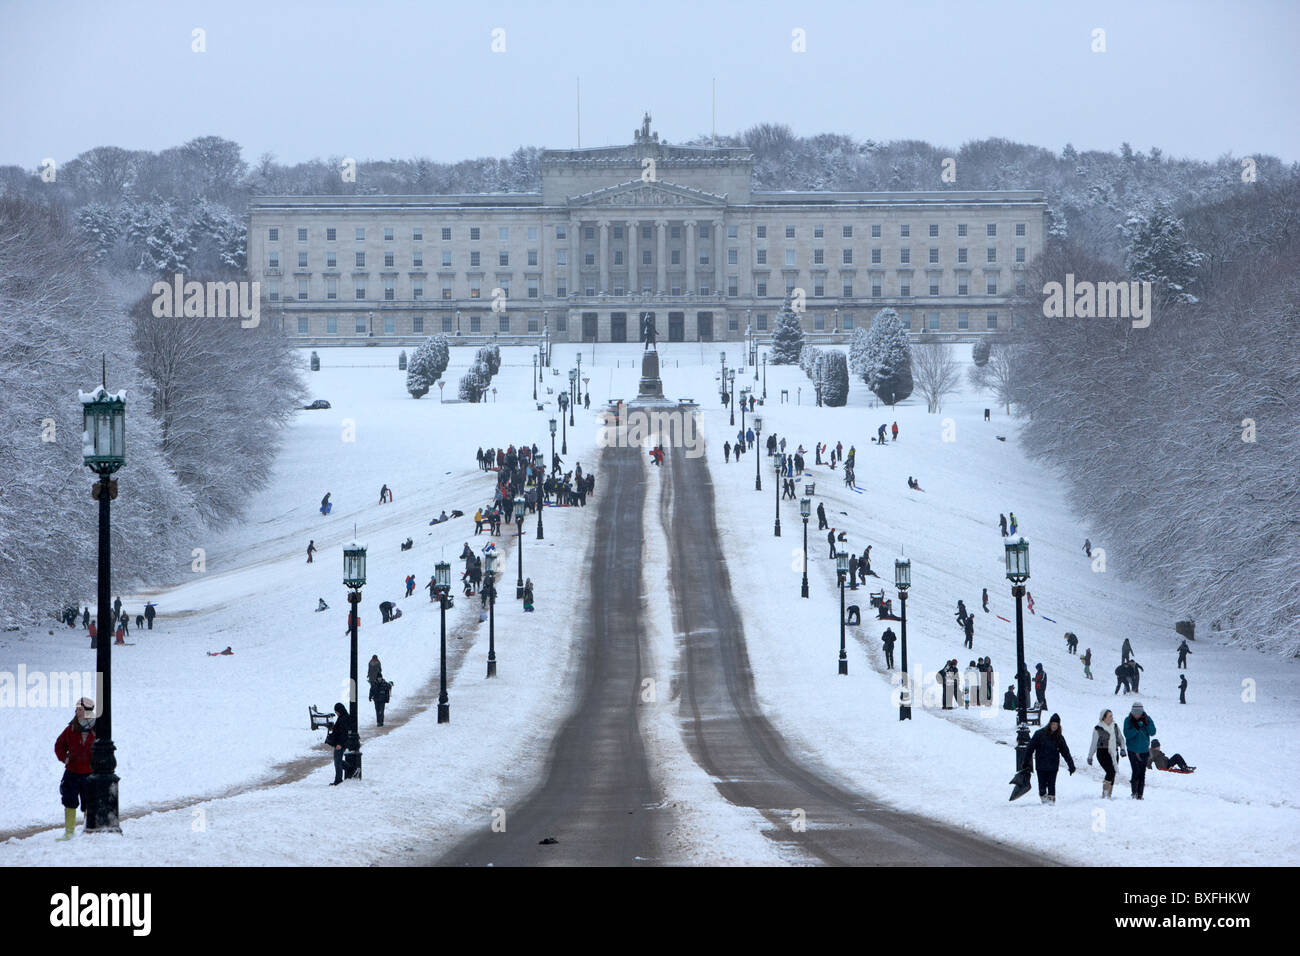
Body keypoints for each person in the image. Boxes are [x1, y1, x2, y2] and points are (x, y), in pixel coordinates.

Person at [54, 698, 97, 840]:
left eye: (81, 709)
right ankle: (69, 833)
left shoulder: (97, 729)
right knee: (69, 800)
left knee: (89, 803)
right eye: (77, 709)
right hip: (72, 773)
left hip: (90, 774)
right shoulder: (70, 729)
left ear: (88, 712)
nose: (77, 712)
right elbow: (59, 745)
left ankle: (88, 830)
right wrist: (65, 758)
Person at [1027, 713, 1076, 804]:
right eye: (1053, 724)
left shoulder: (1059, 738)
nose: (1054, 726)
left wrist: (1071, 765)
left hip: (1053, 766)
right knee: (1041, 787)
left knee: (1051, 785)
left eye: (1056, 725)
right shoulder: (1039, 734)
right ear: (1050, 724)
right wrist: (1026, 762)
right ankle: (1044, 801)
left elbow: (1066, 752)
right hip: (1041, 765)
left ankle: (1051, 804)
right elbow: (1030, 749)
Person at [1087, 708, 1126, 799]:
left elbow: (1121, 738)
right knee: (1110, 771)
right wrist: (1090, 756)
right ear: (1103, 718)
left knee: (1113, 773)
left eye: (1112, 716)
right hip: (1102, 753)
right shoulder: (1098, 729)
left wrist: (1123, 749)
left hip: (1113, 752)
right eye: (1109, 716)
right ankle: (1105, 793)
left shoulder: (1115, 726)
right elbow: (1093, 743)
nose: (1112, 718)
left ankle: (1109, 794)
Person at [1123, 702, 1156, 799]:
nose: (1136, 715)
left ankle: (1140, 795)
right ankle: (1134, 793)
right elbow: (1127, 735)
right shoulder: (1128, 720)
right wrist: (1136, 728)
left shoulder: (1147, 719)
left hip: (1144, 750)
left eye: (1138, 713)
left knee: (1142, 772)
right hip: (1132, 750)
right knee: (1136, 771)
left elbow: (1153, 732)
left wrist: (1146, 725)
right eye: (1135, 713)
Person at [325, 703, 350, 785]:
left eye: (336, 712)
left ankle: (339, 779)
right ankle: (350, 768)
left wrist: (339, 744)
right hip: (340, 743)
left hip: (340, 743)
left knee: (337, 761)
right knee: (337, 760)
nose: (336, 713)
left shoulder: (343, 719)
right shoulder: (343, 717)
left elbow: (343, 733)